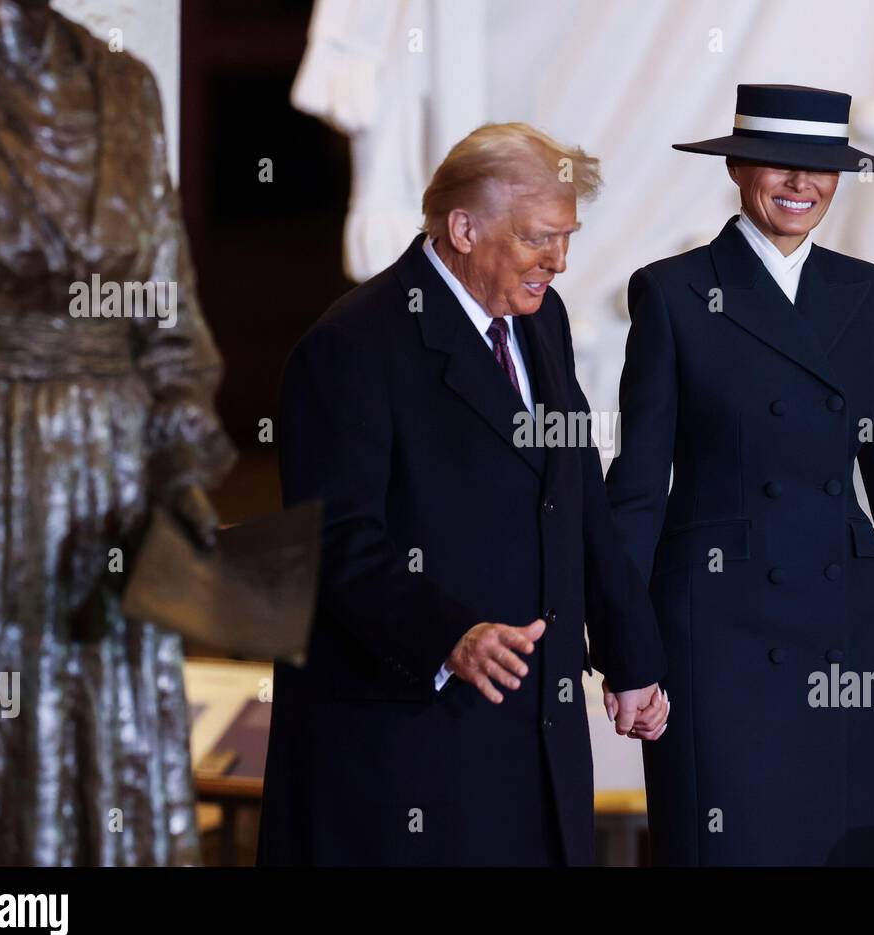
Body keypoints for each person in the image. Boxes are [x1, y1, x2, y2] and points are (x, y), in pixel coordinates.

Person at [258, 122, 668, 866]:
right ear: (464, 228)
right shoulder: (351, 347)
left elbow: (574, 499)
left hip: (536, 741)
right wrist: (450, 633)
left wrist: (630, 654)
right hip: (411, 748)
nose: (560, 262)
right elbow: (333, 540)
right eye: (539, 238)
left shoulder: (542, 323)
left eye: (567, 237)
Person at [605, 84, 874, 865]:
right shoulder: (674, 292)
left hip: (837, 633)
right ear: (739, 167)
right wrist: (626, 652)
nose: (800, 184)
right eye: (780, 164)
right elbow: (639, 489)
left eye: (820, 167)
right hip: (714, 635)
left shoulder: (869, 294)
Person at [0, 0, 233, 865]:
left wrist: (178, 473)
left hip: (107, 470)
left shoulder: (126, 89)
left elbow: (165, 312)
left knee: (105, 719)